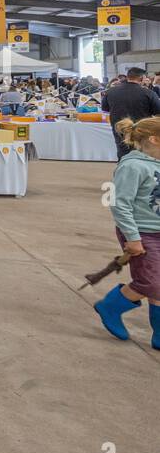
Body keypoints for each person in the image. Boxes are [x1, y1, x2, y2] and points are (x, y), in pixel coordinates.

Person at [93, 116, 160, 348]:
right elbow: (120, 204)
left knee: (158, 284)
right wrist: (133, 237)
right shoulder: (133, 166)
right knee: (150, 283)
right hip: (142, 233)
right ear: (154, 139)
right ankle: (110, 306)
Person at [102, 67, 160, 160]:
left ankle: (123, 171)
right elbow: (157, 112)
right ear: (141, 78)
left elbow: (105, 108)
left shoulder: (110, 91)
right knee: (142, 155)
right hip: (142, 130)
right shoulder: (149, 93)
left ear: (128, 76)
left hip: (120, 128)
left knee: (123, 154)